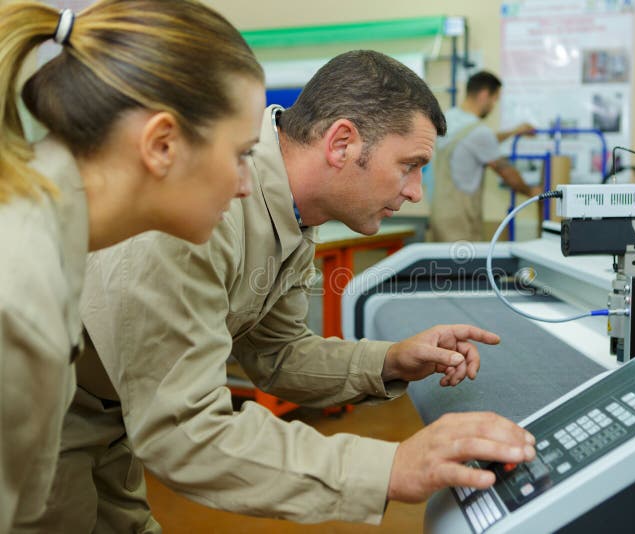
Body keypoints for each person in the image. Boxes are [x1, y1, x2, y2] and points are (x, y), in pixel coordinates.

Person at [30, 50, 537, 532]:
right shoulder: (202, 212)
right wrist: (392, 466)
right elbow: (185, 433)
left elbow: (277, 353)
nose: (415, 191)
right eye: (409, 165)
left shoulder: (292, 213)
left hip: (108, 418)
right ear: (342, 143)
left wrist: (391, 360)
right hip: (44, 415)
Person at [0, 0, 266, 531]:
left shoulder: (49, 232)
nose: (243, 185)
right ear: (162, 144)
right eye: (240, 153)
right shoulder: (21, 294)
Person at [430, 70, 541, 242]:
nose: (493, 106)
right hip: (460, 219)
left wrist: (514, 131)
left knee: (443, 267)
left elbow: (475, 143)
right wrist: (532, 191)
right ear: (484, 95)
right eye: (494, 100)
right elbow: (506, 172)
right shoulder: (479, 132)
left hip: (439, 213)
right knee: (464, 268)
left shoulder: (449, 118)